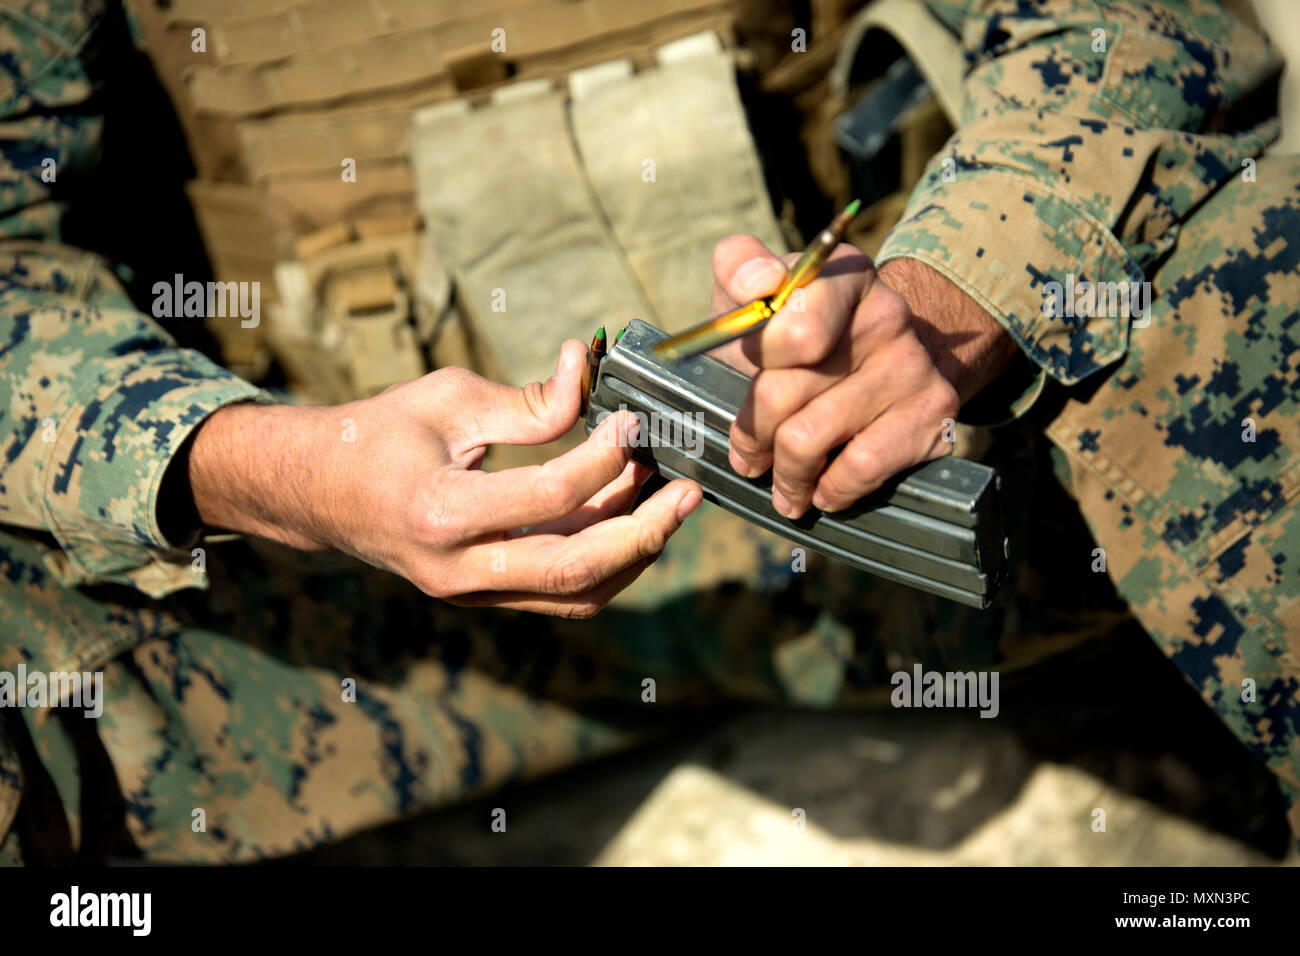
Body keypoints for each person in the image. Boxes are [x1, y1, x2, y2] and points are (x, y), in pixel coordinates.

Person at [1, 0, 1296, 864]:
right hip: (331, 601)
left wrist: (953, 293)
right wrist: (259, 469)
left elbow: (1141, 21)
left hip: (899, 477)